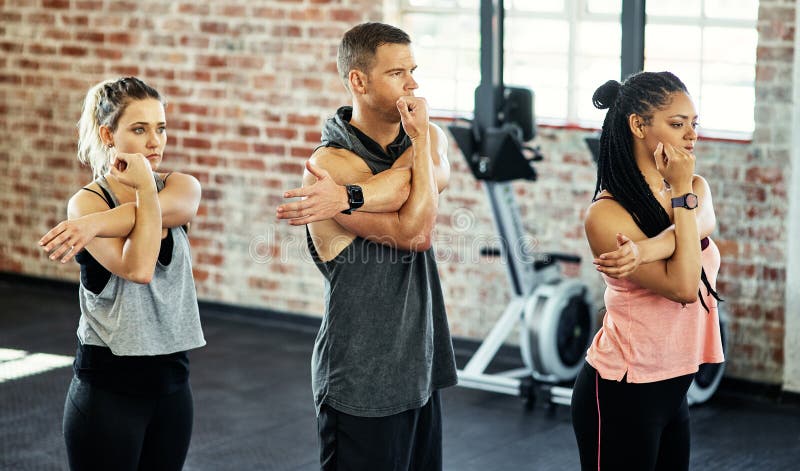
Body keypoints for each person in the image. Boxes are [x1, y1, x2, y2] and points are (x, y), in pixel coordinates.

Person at [276, 22, 458, 471]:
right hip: (361, 377)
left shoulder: (425, 138)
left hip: (418, 366)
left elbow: (414, 182)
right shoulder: (327, 165)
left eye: (413, 70)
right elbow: (415, 231)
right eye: (398, 73)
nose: (413, 84)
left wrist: (354, 195)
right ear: (358, 81)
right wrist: (409, 166)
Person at [38, 77, 205, 471]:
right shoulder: (85, 204)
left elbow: (160, 212)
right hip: (108, 392)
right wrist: (143, 192)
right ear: (108, 134)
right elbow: (139, 267)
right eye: (139, 129)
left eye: (161, 128)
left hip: (172, 386)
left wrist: (101, 224)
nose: (155, 141)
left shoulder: (182, 187)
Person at [570, 71, 724, 471]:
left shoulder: (695, 189)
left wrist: (646, 248)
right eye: (677, 124)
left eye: (694, 124)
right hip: (624, 387)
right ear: (638, 125)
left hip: (675, 386)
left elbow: (699, 227)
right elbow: (684, 285)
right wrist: (678, 197)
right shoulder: (606, 214)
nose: (691, 135)